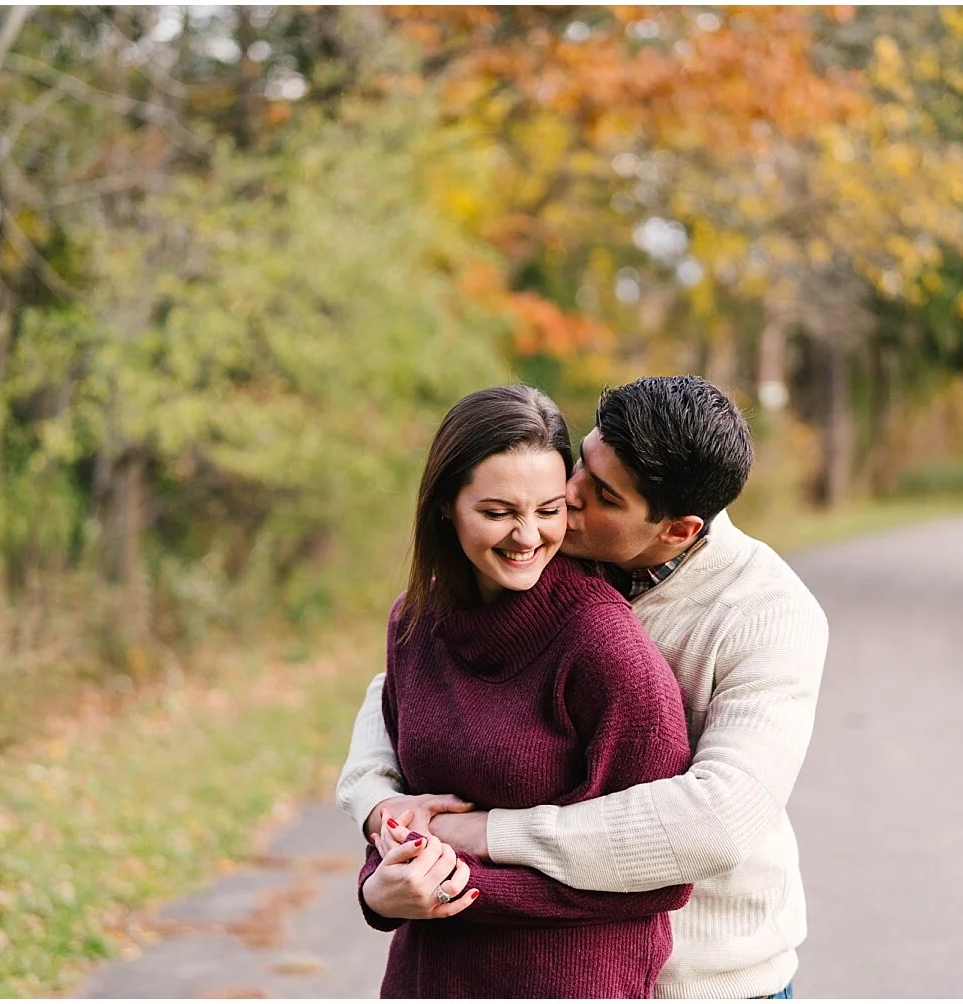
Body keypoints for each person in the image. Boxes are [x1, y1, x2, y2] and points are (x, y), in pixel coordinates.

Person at [338, 375, 829, 999]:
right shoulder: (551, 543)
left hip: (704, 977)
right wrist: (382, 812)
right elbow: (409, 680)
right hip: (528, 959)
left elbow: (718, 819)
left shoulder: (768, 614)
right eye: (581, 465)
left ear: (676, 530)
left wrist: (482, 832)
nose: (562, 499)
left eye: (599, 494)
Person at [354, 384, 694, 999]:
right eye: (498, 512)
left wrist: (459, 883)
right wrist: (378, 889)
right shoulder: (413, 624)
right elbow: (403, 806)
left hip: (568, 979)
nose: (527, 535)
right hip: (428, 978)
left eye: (548, 509)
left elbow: (663, 877)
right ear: (444, 506)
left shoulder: (604, 646)